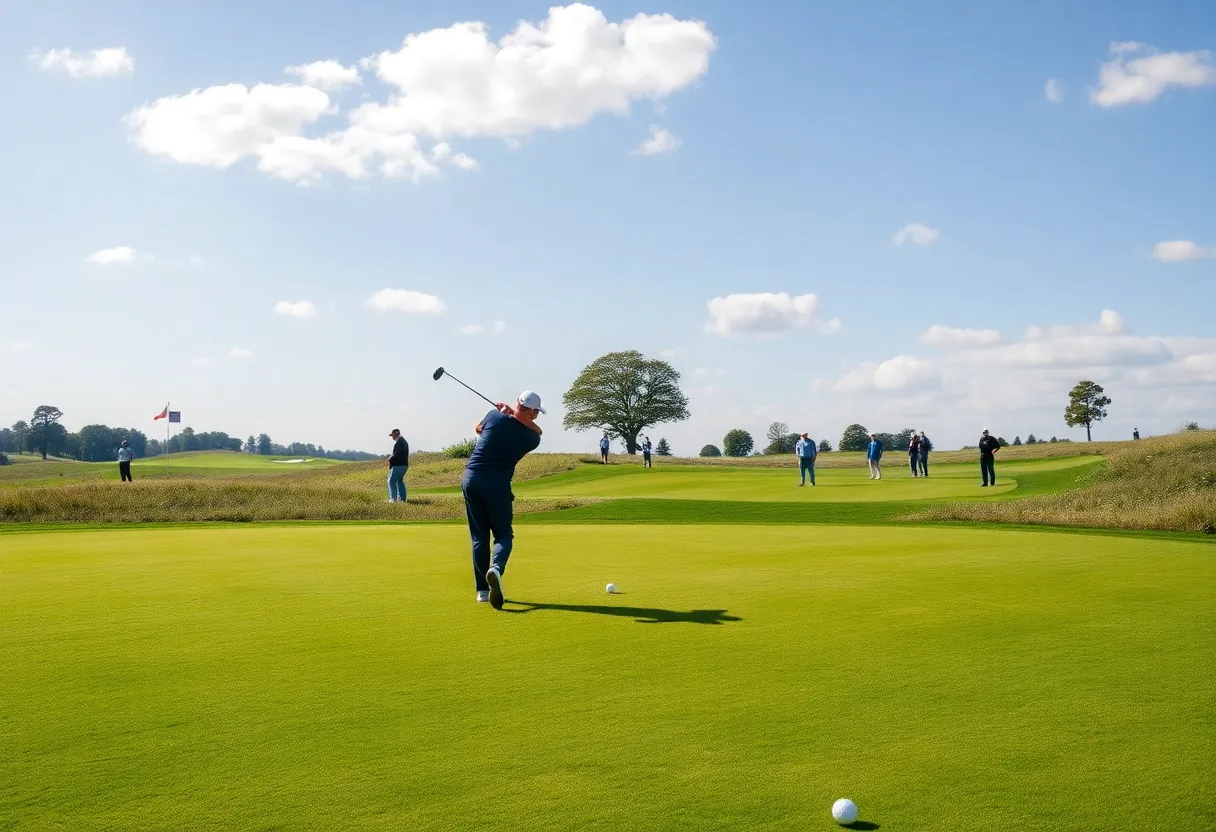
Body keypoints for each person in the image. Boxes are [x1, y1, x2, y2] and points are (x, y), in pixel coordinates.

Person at [463, 391, 545, 609]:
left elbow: (478, 429)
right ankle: (496, 569)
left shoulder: (493, 415)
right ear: (533, 412)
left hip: (471, 479)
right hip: (497, 485)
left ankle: (481, 591)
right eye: (536, 413)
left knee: (479, 536)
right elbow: (538, 431)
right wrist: (514, 416)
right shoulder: (531, 439)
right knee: (503, 534)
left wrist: (505, 413)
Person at [386, 428, 409, 502]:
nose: (392, 437)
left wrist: (390, 459)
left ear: (396, 434)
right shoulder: (403, 442)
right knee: (399, 481)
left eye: (393, 435)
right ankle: (402, 499)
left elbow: (397, 454)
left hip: (398, 465)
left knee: (391, 481)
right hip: (404, 465)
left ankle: (393, 499)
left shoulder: (400, 442)